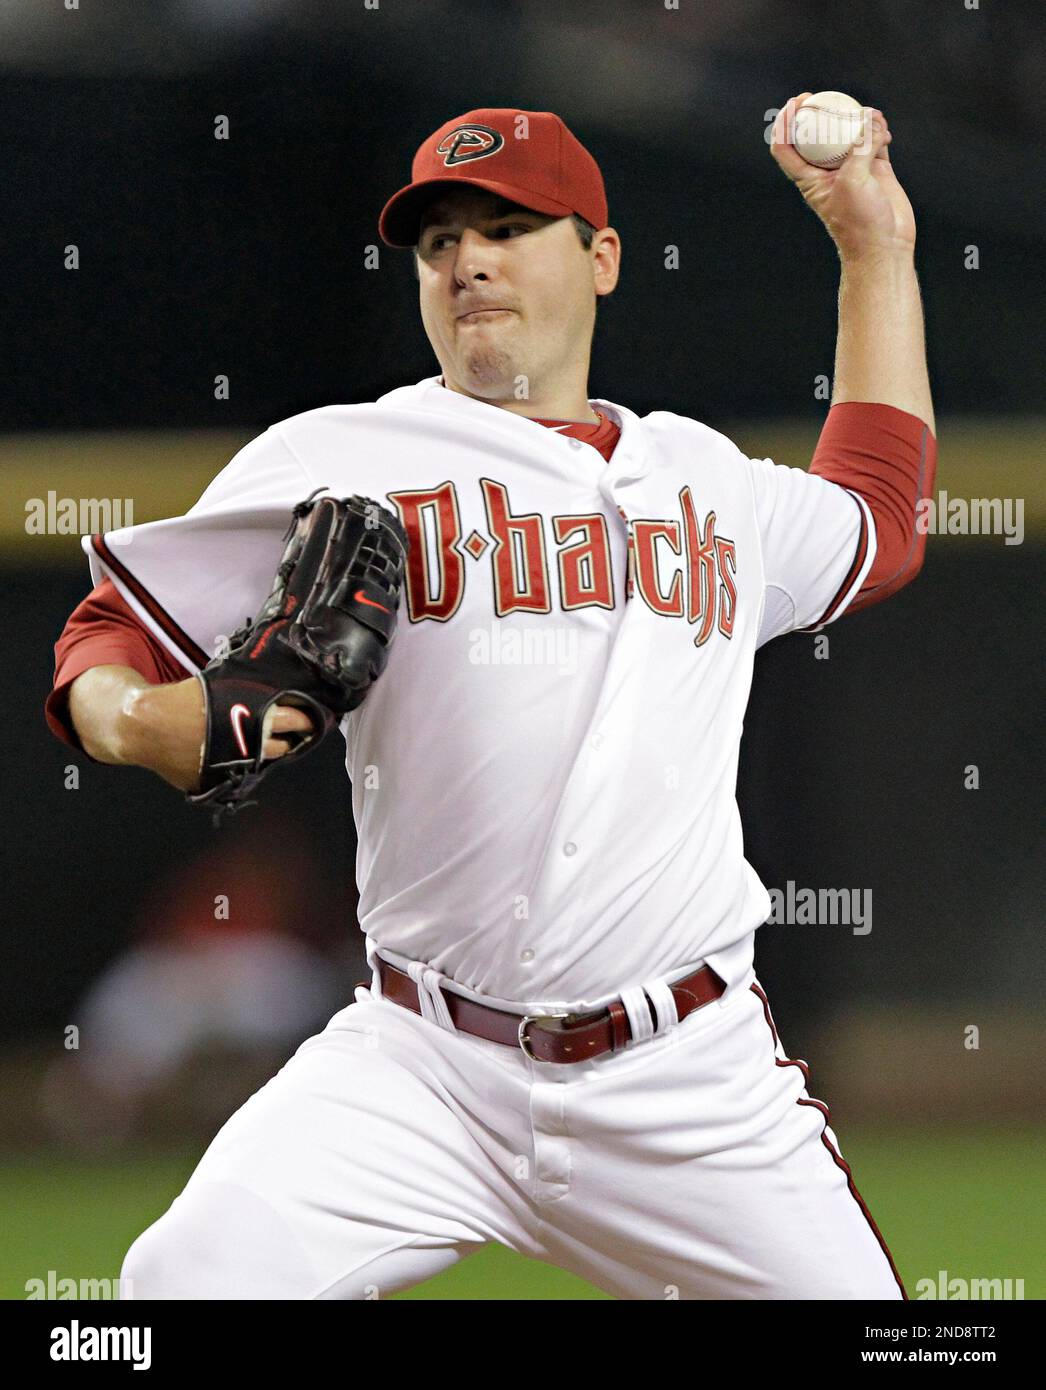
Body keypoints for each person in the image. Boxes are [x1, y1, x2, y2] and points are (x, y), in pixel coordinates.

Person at [46, 103, 935, 1299]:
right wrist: (139, 721)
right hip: (422, 1064)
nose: (467, 258)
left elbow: (879, 518)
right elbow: (106, 638)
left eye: (508, 226)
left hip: (689, 1081)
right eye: (438, 240)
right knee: (183, 1283)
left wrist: (873, 247)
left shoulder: (709, 479)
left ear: (602, 257)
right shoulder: (345, 455)